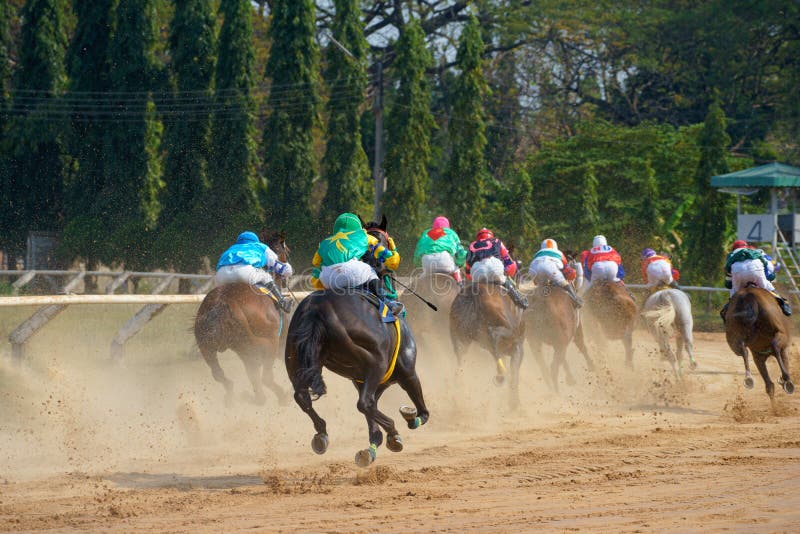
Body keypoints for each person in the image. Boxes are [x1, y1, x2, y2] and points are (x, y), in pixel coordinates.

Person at [310, 212, 403, 315]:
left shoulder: (324, 243)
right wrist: (392, 256)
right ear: (358, 227)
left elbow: (316, 270)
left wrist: (320, 284)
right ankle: (387, 302)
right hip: (351, 272)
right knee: (370, 271)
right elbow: (380, 251)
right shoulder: (363, 235)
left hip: (329, 278)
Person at [215, 231, 294, 313]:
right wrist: (288, 269)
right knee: (266, 276)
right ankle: (282, 301)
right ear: (255, 240)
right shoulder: (261, 246)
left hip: (221, 275)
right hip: (243, 272)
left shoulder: (232, 248)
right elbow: (279, 267)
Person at [720, 239, 791, 318]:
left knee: (734, 295)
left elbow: (728, 280)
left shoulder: (731, 255)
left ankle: (727, 309)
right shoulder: (756, 252)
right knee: (769, 289)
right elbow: (768, 267)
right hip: (756, 269)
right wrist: (770, 277)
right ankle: (783, 303)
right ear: (746, 247)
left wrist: (729, 285)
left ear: (734, 249)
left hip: (738, 272)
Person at [465, 228, 528, 309]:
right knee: (505, 281)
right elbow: (509, 263)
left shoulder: (471, 245)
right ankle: (520, 302)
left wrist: (473, 278)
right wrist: (508, 272)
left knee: (471, 291)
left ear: (478, 238)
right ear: (491, 236)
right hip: (494, 267)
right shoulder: (497, 241)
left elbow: (467, 271)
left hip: (477, 271)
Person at [413, 216, 467, 284]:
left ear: (433, 226)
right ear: (448, 226)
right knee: (456, 269)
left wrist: (419, 266)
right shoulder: (451, 233)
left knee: (421, 278)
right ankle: (460, 287)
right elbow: (461, 253)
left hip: (427, 263)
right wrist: (460, 264)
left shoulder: (425, 234)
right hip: (444, 261)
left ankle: (415, 289)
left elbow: (417, 255)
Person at [528, 239, 582, 307]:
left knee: (540, 288)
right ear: (555, 246)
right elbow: (568, 271)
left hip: (533, 268)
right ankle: (575, 299)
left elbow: (535, 283)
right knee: (563, 282)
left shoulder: (537, 254)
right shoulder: (559, 253)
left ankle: (532, 306)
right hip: (550, 268)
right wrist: (572, 274)